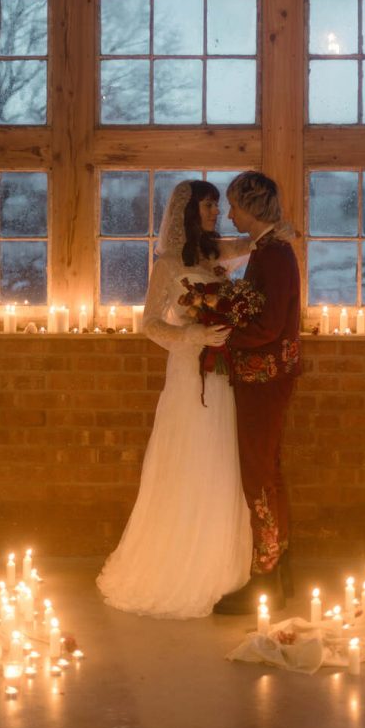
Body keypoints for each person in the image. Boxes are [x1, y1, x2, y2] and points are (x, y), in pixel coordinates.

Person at [96, 179, 253, 618]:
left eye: (217, 207)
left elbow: (245, 245)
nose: (215, 214)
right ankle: (181, 563)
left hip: (221, 376)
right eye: (208, 207)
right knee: (191, 457)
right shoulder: (168, 263)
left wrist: (272, 231)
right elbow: (148, 323)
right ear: (188, 212)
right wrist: (192, 335)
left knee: (221, 459)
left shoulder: (212, 253)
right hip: (189, 370)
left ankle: (222, 565)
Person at [213, 171, 301, 615]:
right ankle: (279, 560)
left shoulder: (274, 254)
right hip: (266, 377)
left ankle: (265, 571)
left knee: (258, 471)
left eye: (234, 205)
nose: (229, 213)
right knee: (269, 466)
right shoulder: (269, 250)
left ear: (252, 207)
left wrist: (225, 334)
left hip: (264, 379)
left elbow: (266, 326)